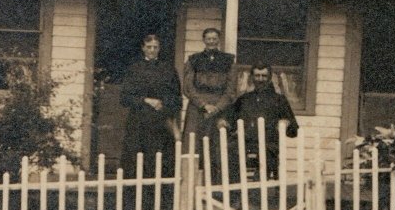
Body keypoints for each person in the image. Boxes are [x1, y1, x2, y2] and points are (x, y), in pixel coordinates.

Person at [218, 62, 298, 181]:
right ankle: (235, 192)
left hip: (268, 144)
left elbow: (294, 130)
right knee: (230, 151)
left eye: (264, 76)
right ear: (252, 77)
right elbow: (228, 116)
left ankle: (256, 193)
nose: (260, 79)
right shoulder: (244, 99)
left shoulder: (279, 100)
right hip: (245, 142)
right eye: (257, 75)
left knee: (266, 157)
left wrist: (286, 122)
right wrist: (223, 121)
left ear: (270, 77)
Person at [119, 33, 182, 179]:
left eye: (155, 47)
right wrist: (146, 100)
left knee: (159, 162)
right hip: (139, 122)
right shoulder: (134, 69)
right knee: (136, 162)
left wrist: (164, 104)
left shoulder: (168, 70)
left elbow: (177, 98)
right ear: (143, 48)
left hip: (160, 123)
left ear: (159, 49)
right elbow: (125, 98)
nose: (152, 50)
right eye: (149, 47)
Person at [182, 27, 236, 155]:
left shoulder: (228, 60)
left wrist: (217, 108)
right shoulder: (193, 60)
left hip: (220, 106)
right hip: (197, 107)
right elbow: (188, 87)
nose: (211, 41)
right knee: (192, 142)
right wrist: (204, 105)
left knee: (217, 143)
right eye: (208, 39)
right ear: (203, 40)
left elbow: (231, 88)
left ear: (219, 40)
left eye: (214, 39)